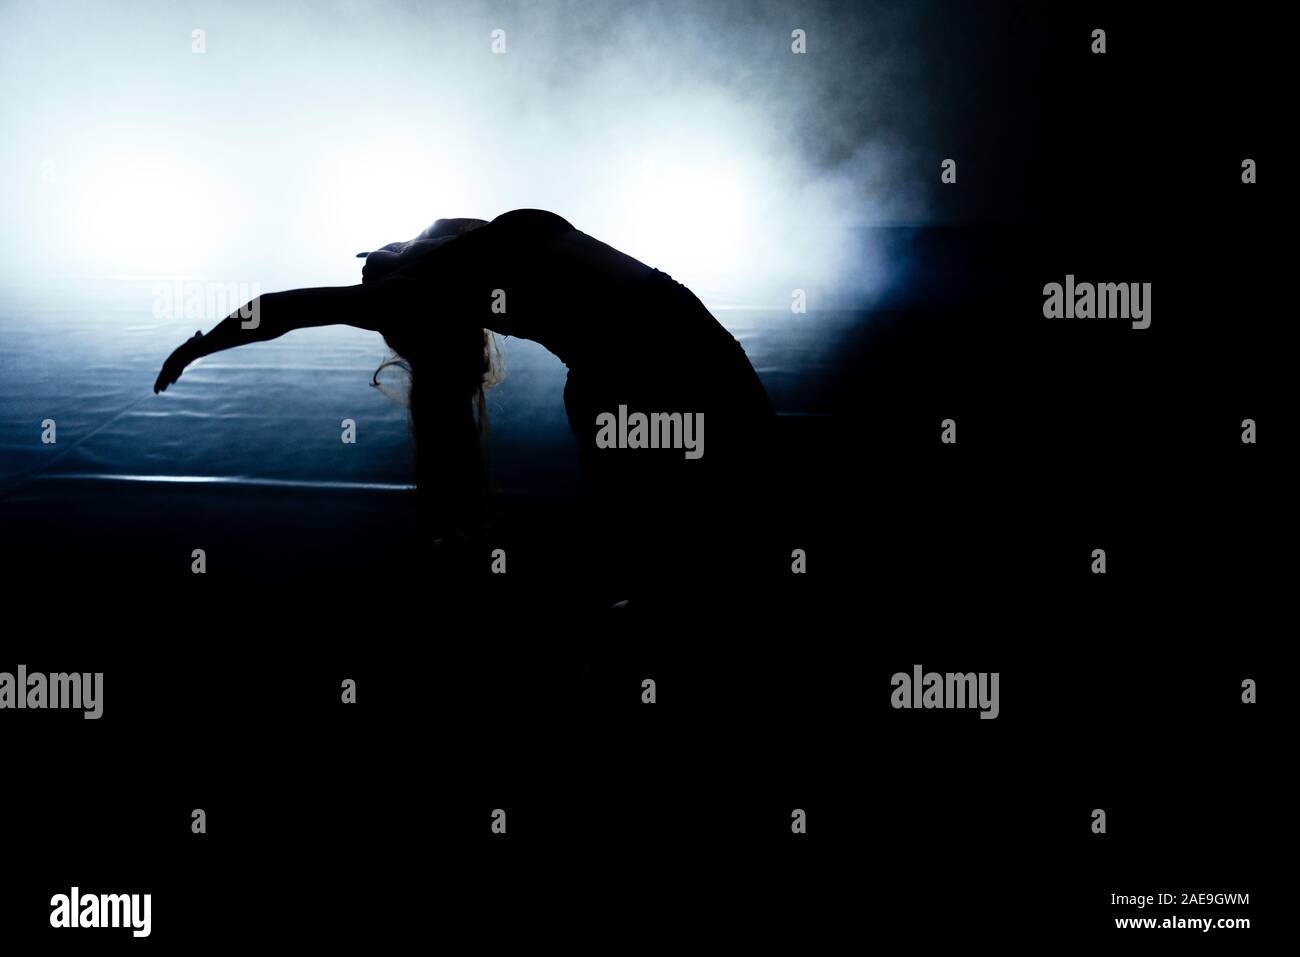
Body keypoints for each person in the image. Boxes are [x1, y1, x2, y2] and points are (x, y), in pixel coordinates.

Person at [155, 209, 776, 604]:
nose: (376, 253)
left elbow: (288, 308)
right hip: (661, 346)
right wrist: (203, 343)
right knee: (718, 494)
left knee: (725, 491)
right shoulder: (426, 277)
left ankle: (676, 583)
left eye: (382, 252)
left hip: (663, 345)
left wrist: (202, 344)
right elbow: (286, 309)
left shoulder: (449, 249)